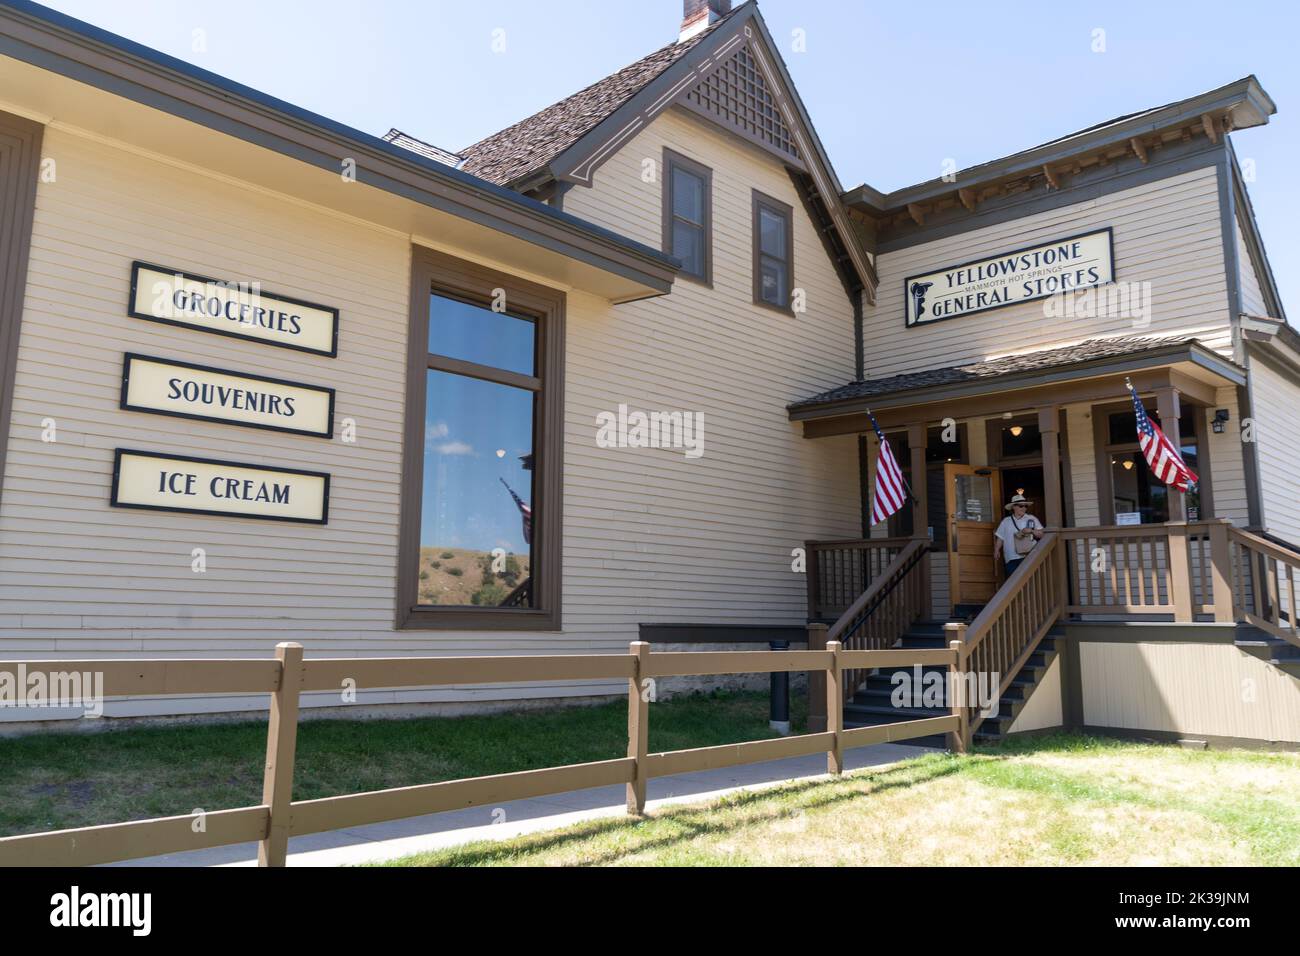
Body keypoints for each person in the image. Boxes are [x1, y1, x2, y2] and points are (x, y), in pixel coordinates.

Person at [993, 493, 1044, 578]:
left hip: (1028, 555)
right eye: (1021, 506)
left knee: (1028, 579)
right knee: (1013, 580)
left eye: (1025, 506)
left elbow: (1042, 535)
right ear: (1014, 507)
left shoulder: (1031, 518)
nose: (1024, 508)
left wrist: (1031, 531)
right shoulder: (1006, 521)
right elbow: (1000, 537)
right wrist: (996, 550)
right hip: (1011, 557)